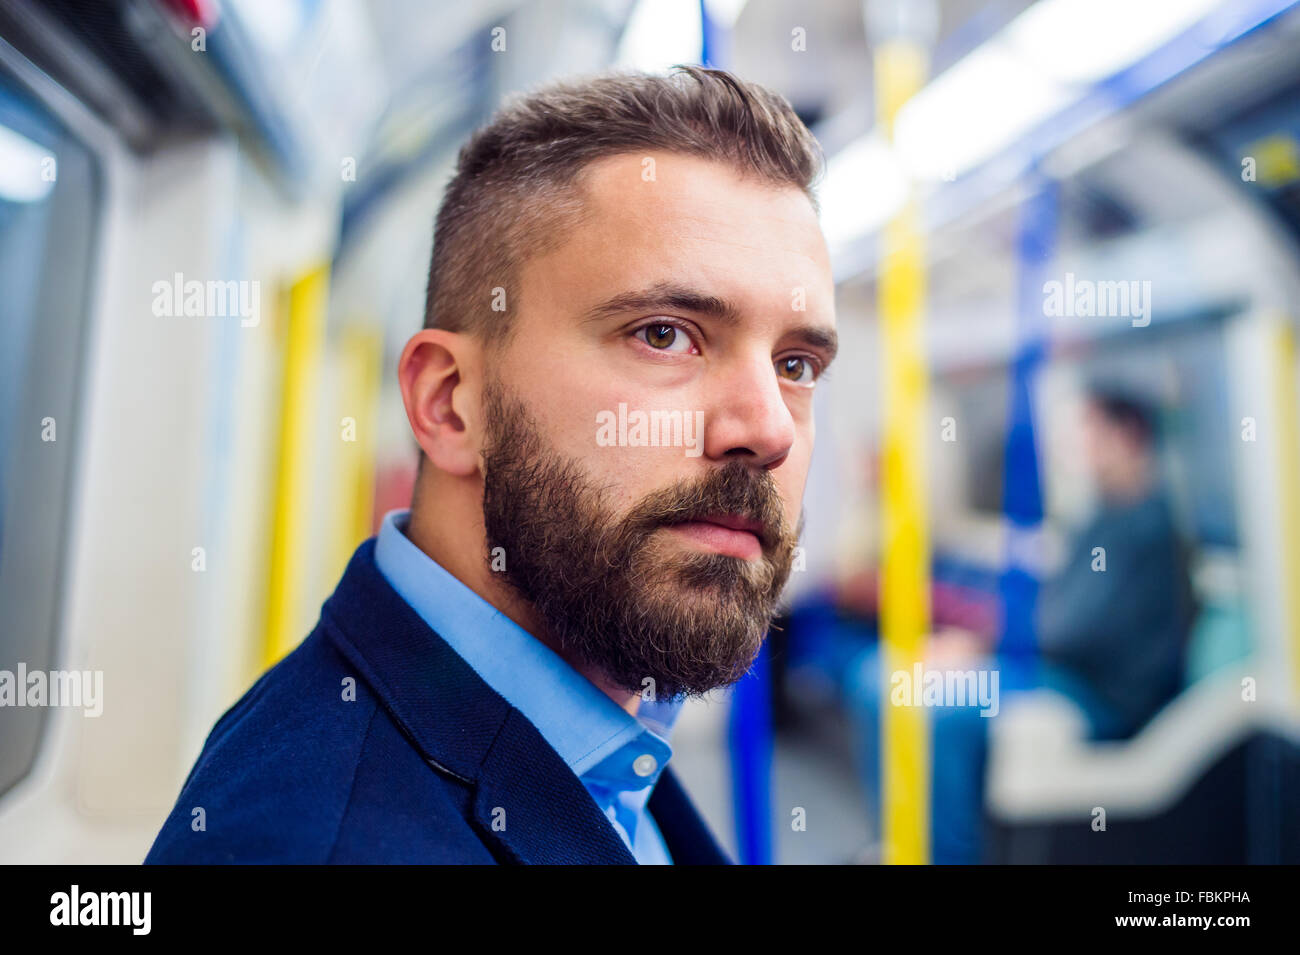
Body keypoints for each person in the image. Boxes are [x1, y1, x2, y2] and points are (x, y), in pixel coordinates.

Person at [145, 67, 837, 864]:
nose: (769, 428)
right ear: (450, 403)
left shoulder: (605, 739)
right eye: (664, 334)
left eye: (797, 364)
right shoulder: (314, 843)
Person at [843, 381, 1196, 863]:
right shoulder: (1104, 516)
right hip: (1054, 671)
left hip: (1098, 694)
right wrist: (975, 643)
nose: (1079, 446)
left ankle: (947, 856)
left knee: (933, 710)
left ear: (1126, 436)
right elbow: (1058, 613)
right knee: (877, 679)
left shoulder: (1147, 526)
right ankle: (902, 841)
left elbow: (1074, 631)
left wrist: (976, 649)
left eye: (1090, 430)